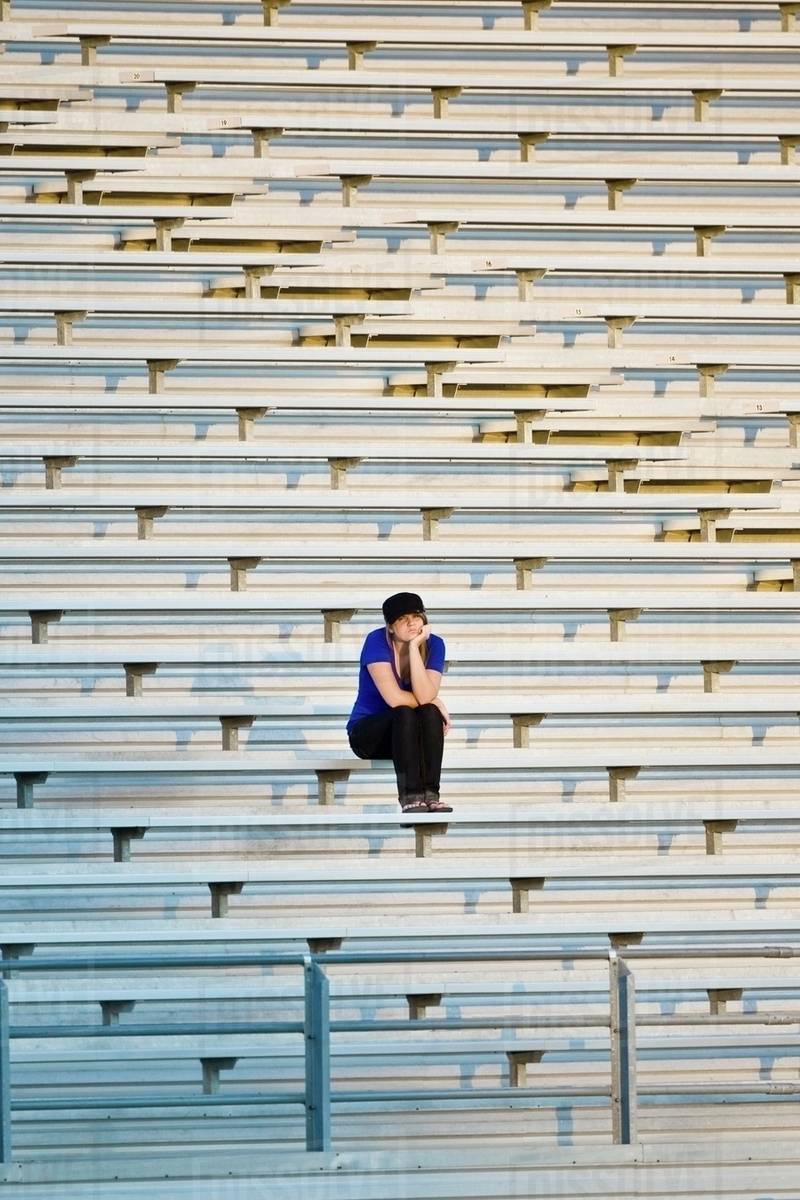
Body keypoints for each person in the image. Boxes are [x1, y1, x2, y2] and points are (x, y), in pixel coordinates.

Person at [347, 591, 452, 813]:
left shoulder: (435, 645)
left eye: (415, 617)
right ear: (391, 627)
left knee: (429, 712)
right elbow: (394, 699)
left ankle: (431, 795)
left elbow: (425, 698)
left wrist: (414, 648)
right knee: (406, 711)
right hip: (369, 735)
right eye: (402, 619)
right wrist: (436, 700)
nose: (411, 623)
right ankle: (410, 796)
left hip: (409, 742)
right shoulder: (376, 641)